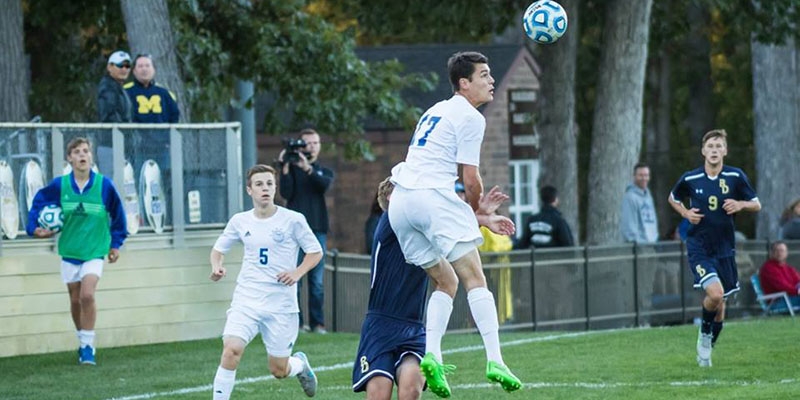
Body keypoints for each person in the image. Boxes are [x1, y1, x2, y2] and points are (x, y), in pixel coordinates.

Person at [387, 51, 521, 397]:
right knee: (475, 278)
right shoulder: (471, 117)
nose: (491, 81)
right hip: (431, 197)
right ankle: (496, 360)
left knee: (445, 281)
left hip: (401, 202)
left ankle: (431, 355)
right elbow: (471, 178)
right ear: (465, 83)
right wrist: (479, 210)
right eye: (485, 75)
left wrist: (475, 215)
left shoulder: (435, 109)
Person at [353, 177, 515, 400]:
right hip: (381, 325)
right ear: (393, 198)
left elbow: (445, 228)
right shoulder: (391, 220)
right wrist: (476, 216)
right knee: (378, 395)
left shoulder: (420, 231)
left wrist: (479, 218)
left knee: (410, 390)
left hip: (413, 326)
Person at [210, 164, 322, 399]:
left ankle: (300, 365)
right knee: (231, 350)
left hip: (280, 303)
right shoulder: (240, 221)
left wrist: (297, 272)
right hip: (247, 299)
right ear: (249, 190)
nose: (265, 189)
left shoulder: (293, 220)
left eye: (270, 184)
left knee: (278, 370)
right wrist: (217, 266)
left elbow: (315, 252)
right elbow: (218, 249)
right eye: (259, 184)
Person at [26, 137, 127, 365]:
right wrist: (34, 228)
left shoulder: (104, 185)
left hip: (94, 250)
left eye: (86, 151)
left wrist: (115, 244)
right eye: (77, 152)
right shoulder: (60, 185)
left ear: (91, 157)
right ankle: (82, 341)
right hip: (70, 250)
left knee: (87, 295)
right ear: (69, 158)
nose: (82, 155)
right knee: (74, 300)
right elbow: (38, 202)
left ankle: (88, 346)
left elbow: (118, 216)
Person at [668, 129, 761, 367]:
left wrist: (740, 204)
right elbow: (673, 198)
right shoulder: (691, 178)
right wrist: (685, 213)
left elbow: (756, 204)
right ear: (703, 151)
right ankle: (704, 335)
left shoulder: (735, 176)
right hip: (699, 246)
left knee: (721, 307)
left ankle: (707, 346)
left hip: (725, 248)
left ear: (725, 151)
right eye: (710, 146)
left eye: (719, 146)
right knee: (715, 294)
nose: (714, 150)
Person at [278, 128, 334, 334]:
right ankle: (298, 323)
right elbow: (285, 193)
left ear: (319, 146)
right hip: (294, 234)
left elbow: (323, 185)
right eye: (306, 143)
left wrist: (307, 168)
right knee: (296, 280)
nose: (310, 147)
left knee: (316, 282)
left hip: (317, 229)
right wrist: (284, 167)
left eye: (314, 143)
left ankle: (318, 324)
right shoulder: (291, 170)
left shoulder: (322, 171)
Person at [124, 54, 180, 123]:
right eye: (140, 66)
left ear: (154, 70)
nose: (144, 69)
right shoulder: (125, 92)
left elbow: (174, 117)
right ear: (134, 71)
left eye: (147, 66)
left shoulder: (165, 93)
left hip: (161, 133)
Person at [620, 162, 658, 243]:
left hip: (651, 245)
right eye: (640, 175)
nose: (644, 178)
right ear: (634, 176)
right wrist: (636, 242)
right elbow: (628, 226)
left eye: (646, 175)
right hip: (638, 247)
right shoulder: (630, 197)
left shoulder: (648, 197)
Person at [758, 241, 800, 308]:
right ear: (771, 253)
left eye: (782, 251)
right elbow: (782, 287)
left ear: (786, 253)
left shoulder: (789, 268)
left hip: (791, 297)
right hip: (777, 302)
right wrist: (797, 291)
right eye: (776, 250)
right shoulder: (768, 268)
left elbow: (798, 281)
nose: (779, 253)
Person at [97, 50, 132, 123]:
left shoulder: (120, 88)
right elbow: (110, 116)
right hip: (113, 133)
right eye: (120, 65)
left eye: (127, 66)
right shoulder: (107, 88)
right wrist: (123, 133)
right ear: (109, 67)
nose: (124, 69)